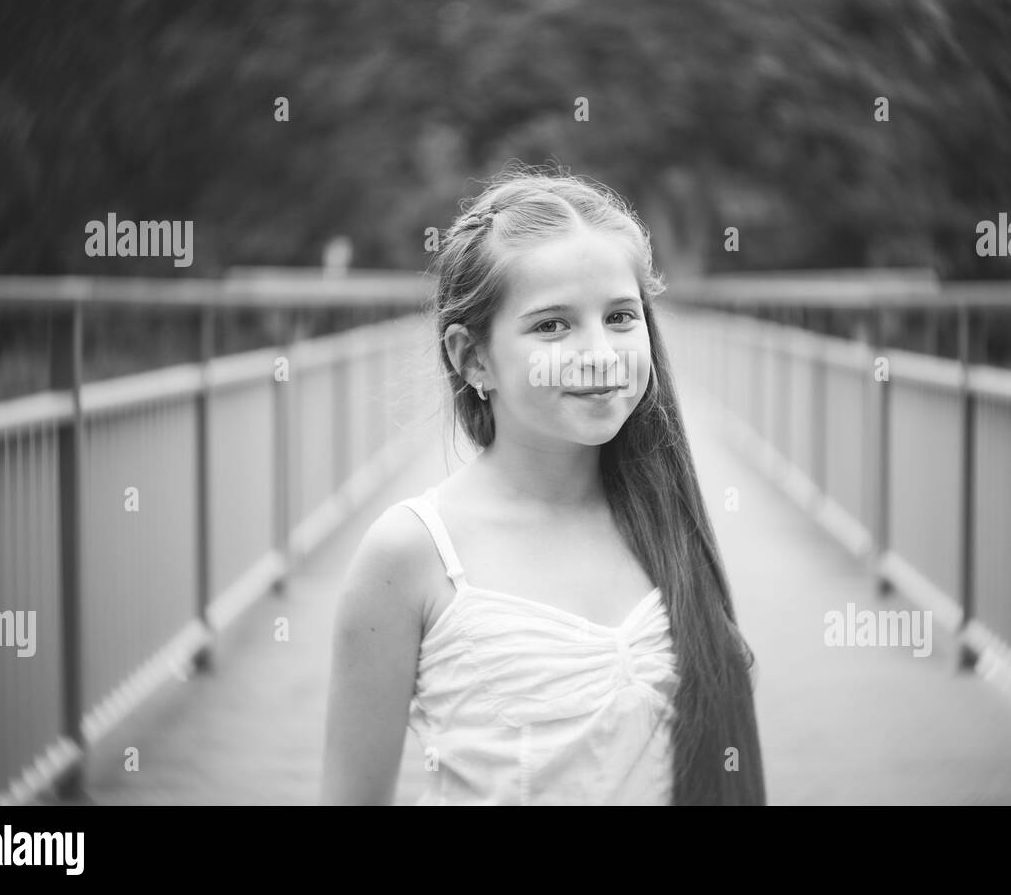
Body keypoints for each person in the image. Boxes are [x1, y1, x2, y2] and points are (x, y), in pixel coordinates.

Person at [320, 165, 764, 805]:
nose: (599, 353)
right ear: (471, 356)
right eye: (552, 325)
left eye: (620, 316)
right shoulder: (410, 555)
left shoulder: (669, 518)